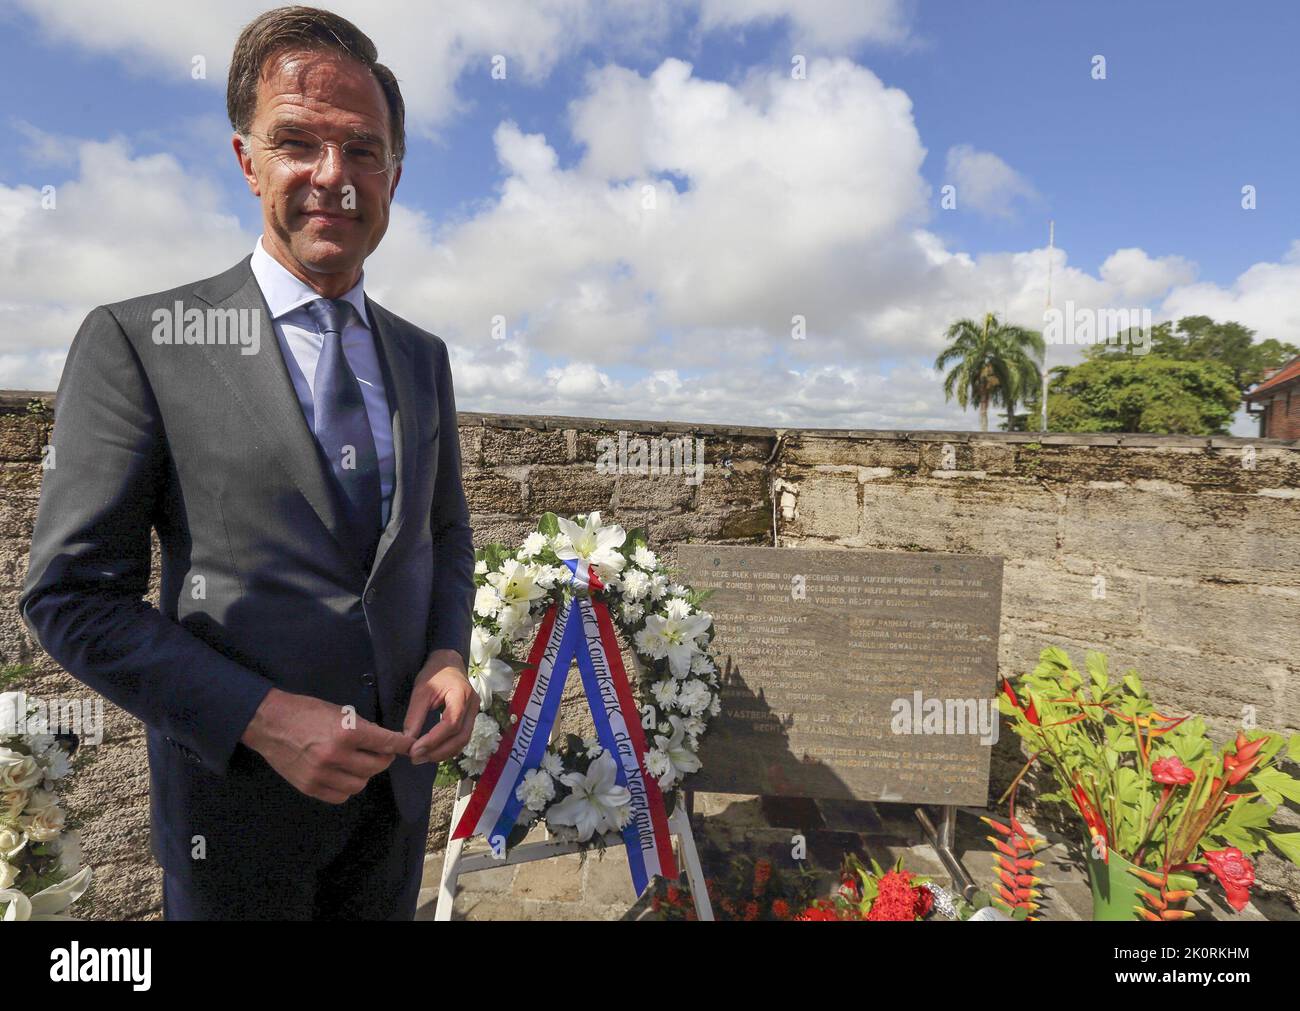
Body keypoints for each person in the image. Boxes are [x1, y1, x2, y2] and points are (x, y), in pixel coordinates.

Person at [18, 5, 479, 920]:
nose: (331, 177)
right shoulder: (140, 341)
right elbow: (70, 595)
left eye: (362, 150)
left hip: (392, 816)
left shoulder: (422, 356)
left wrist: (445, 653)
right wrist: (267, 719)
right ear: (246, 159)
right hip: (232, 825)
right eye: (296, 142)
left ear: (394, 171)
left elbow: (444, 532)